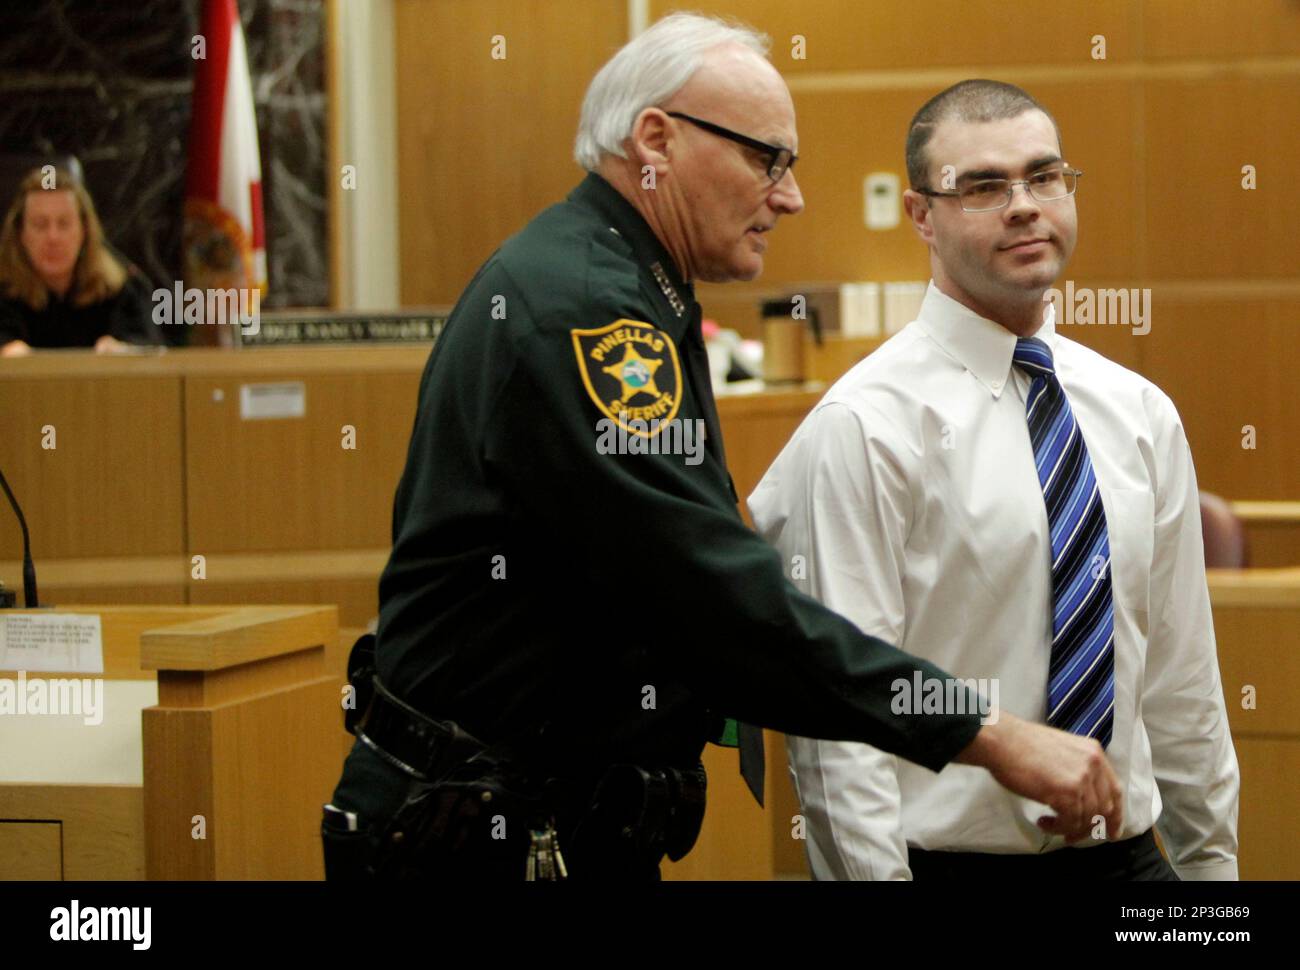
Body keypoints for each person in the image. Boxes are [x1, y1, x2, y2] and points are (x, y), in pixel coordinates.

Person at [324, 19, 1121, 881]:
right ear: (657, 141)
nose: (790, 197)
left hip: (533, 815)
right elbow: (717, 603)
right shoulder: (592, 309)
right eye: (766, 159)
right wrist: (985, 734)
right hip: (480, 831)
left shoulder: (618, 279)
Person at [749, 79, 1239, 881]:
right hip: (950, 861)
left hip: (1128, 862)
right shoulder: (864, 426)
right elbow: (841, 731)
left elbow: (1183, 682)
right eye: (982, 186)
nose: (1023, 205)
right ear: (920, 215)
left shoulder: (1138, 412)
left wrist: (1213, 882)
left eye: (1044, 177)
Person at [0, 167, 158, 356]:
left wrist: (124, 350)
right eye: (40, 225)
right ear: (21, 234)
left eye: (64, 223)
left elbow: (152, 350)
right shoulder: (4, 291)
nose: (53, 237)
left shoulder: (119, 290)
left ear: (84, 231)